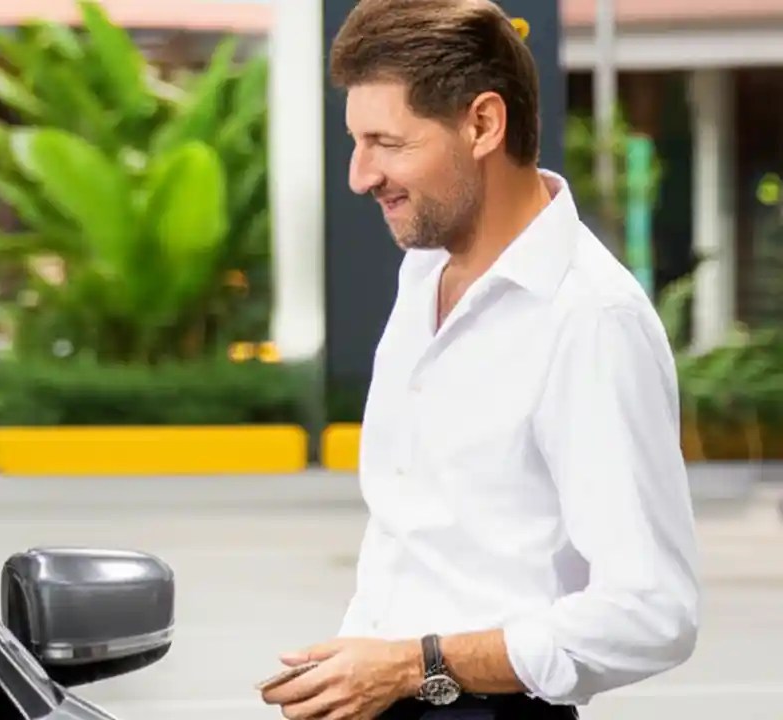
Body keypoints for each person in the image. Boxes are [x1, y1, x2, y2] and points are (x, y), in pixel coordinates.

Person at [258, 0, 701, 718]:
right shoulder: (423, 272)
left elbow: (653, 613)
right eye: (355, 141)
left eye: (386, 142)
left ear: (483, 124)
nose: (359, 175)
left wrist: (415, 666)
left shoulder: (590, 319)